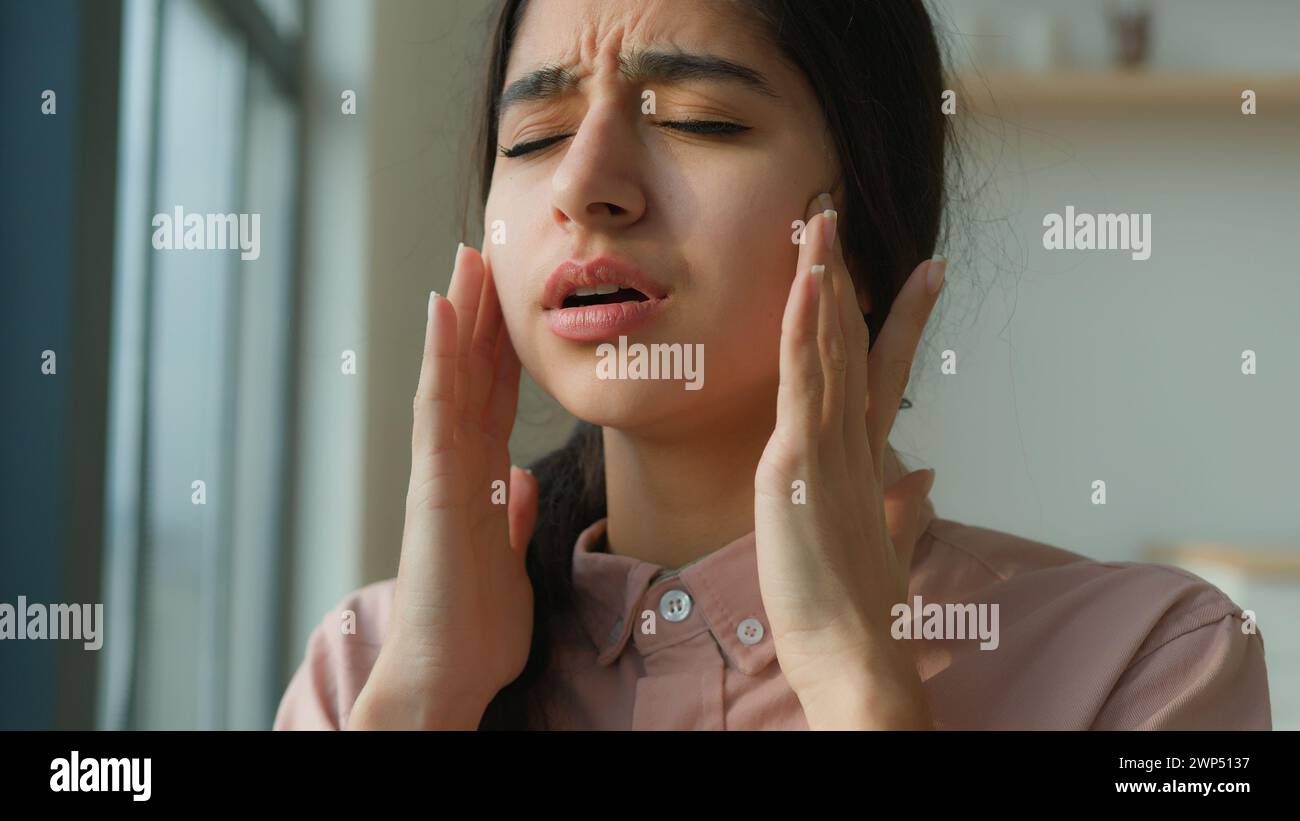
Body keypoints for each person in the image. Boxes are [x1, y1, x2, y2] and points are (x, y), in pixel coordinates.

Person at [274, 0, 1270, 730]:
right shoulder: (363, 665)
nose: (584, 186)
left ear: (867, 231)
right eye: (534, 135)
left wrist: (856, 679)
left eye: (700, 119)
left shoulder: (1153, 660)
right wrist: (426, 698)